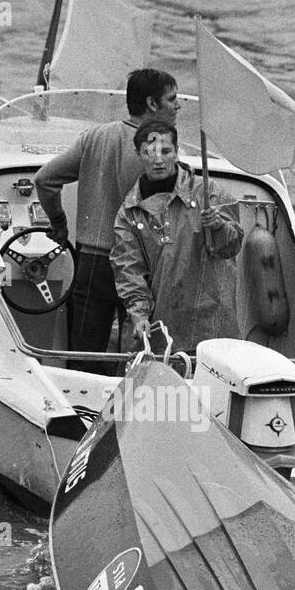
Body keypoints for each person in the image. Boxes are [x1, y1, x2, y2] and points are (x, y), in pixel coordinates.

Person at [35, 67, 180, 372]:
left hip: (92, 264)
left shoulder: (94, 138)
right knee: (143, 358)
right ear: (152, 104)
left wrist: (59, 224)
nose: (178, 106)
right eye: (172, 99)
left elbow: (45, 180)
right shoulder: (161, 154)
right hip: (141, 268)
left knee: (85, 357)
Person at [111, 121, 244, 357]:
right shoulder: (129, 212)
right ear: (138, 155)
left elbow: (231, 247)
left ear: (176, 151)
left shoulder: (209, 193)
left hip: (212, 323)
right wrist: (139, 315)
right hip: (162, 328)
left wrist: (219, 226)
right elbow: (129, 270)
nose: (158, 160)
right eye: (149, 152)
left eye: (165, 151)